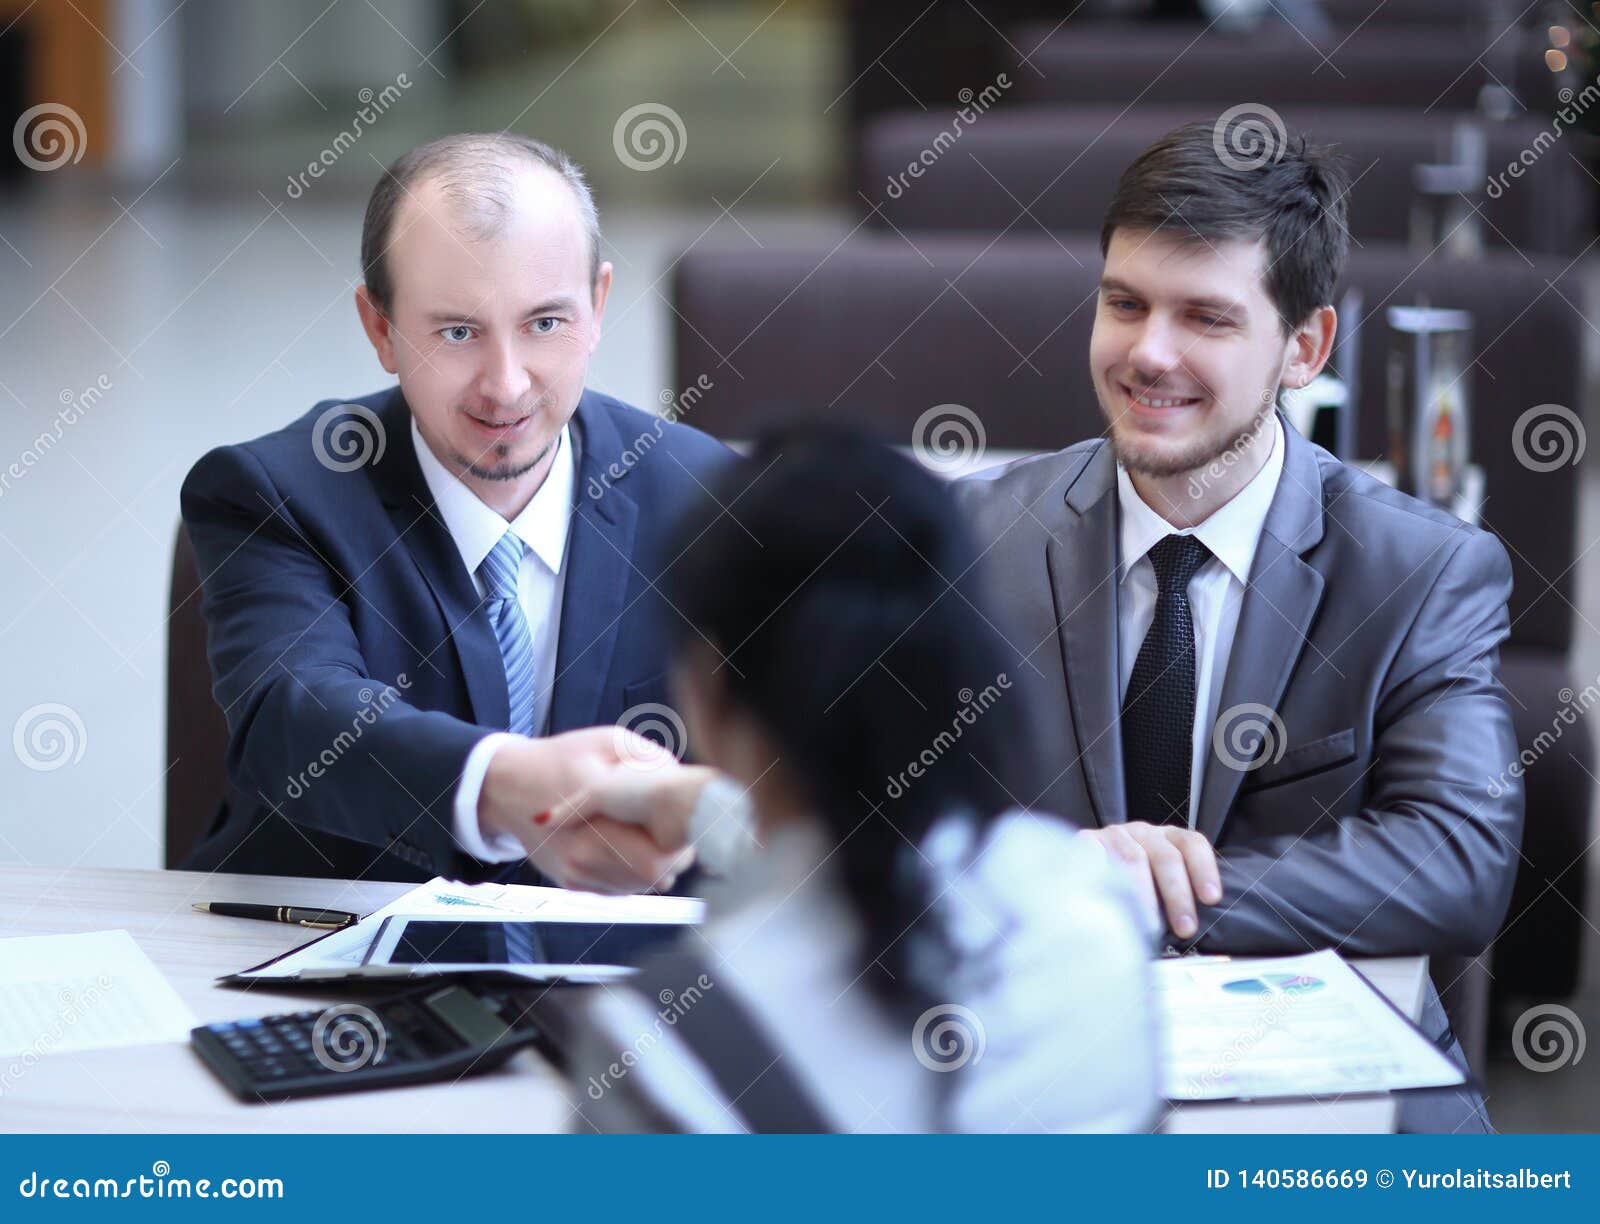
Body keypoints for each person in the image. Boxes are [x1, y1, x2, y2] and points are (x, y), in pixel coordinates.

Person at [954, 119, 1521, 1131]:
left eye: (1206, 318)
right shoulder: (971, 538)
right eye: (1124, 304)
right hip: (1038, 1068)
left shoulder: (1419, 570)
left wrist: (1139, 892)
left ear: (1304, 348)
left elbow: (1457, 859)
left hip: (1329, 1084)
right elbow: (865, 818)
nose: (1148, 352)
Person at [560, 429, 1160, 1133]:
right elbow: (880, 842)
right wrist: (699, 811)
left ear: (706, 685)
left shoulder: (659, 1048)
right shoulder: (1092, 910)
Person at [180, 133, 730, 889]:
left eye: (545, 323)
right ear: (381, 328)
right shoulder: (277, 491)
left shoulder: (712, 498)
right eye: (458, 332)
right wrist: (505, 783)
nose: (506, 386)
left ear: (598, 305)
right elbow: (291, 715)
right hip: (325, 942)